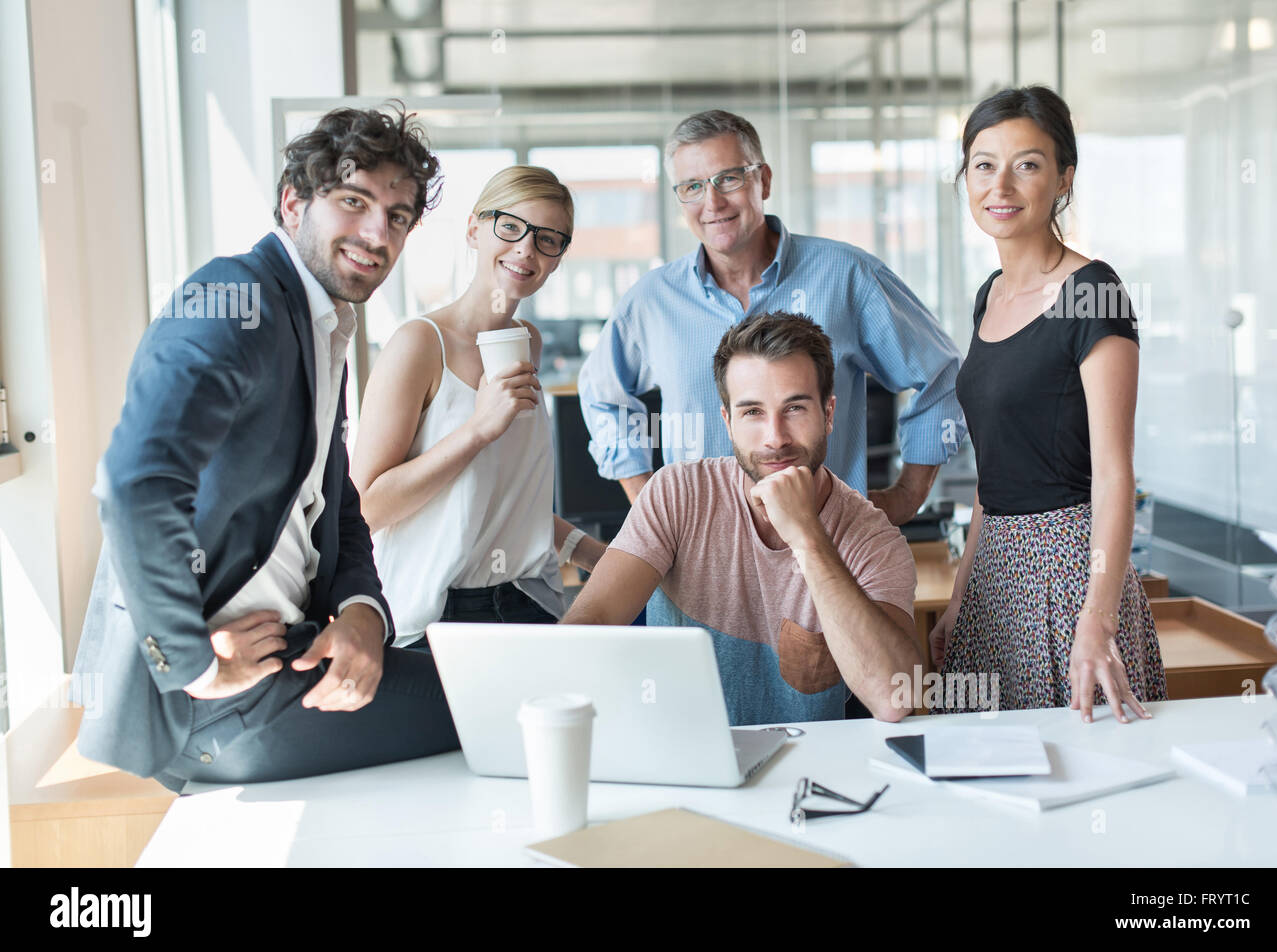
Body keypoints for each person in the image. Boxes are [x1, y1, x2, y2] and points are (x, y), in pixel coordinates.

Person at [73, 105, 461, 791]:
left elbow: (337, 504)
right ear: (293, 202)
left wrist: (366, 616)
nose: (378, 232)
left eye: (398, 216)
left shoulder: (321, 322)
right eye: (353, 201)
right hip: (210, 707)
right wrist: (193, 662)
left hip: (293, 654)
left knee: (484, 687)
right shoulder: (233, 300)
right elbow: (136, 483)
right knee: (494, 704)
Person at [578, 109, 966, 526]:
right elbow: (603, 399)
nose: (713, 203)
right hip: (699, 560)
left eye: (728, 178)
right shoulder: (651, 301)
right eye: (692, 187)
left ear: (763, 180)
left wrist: (907, 496)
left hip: (829, 550)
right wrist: (649, 508)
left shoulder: (848, 276)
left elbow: (942, 375)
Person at [928, 86, 1167, 721]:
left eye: (1027, 164)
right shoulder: (990, 296)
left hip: (1067, 572)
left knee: (1078, 774)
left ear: (1063, 178)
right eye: (983, 164)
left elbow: (1115, 472)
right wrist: (960, 594)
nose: (1000, 184)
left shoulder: (1094, 291)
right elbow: (993, 472)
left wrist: (1099, 615)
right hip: (993, 580)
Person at [564, 312, 920, 725]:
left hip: (813, 772)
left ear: (828, 413)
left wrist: (807, 536)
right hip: (683, 763)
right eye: (753, 412)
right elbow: (591, 625)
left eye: (795, 408)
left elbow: (894, 698)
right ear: (727, 422)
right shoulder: (678, 494)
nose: (775, 437)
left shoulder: (871, 536)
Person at [352, 166, 605, 645]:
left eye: (548, 239)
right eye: (510, 227)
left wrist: (595, 555)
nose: (526, 249)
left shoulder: (528, 342)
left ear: (557, 258)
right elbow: (367, 506)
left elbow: (502, 499)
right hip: (436, 617)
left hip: (530, 601)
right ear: (473, 229)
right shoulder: (419, 345)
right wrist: (476, 431)